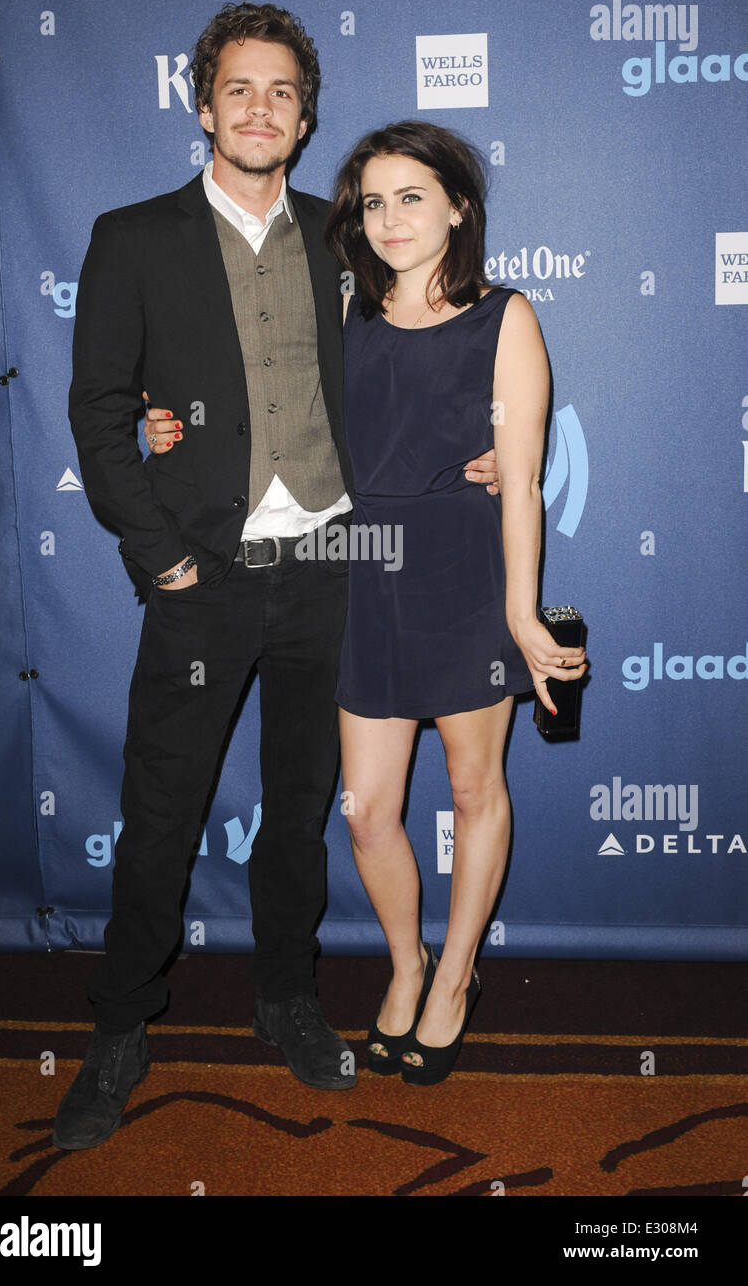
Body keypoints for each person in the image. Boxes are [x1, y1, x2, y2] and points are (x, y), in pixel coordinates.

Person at [56, 5, 499, 1150]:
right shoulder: (132, 236)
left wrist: (488, 448)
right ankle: (117, 1027)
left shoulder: (343, 238)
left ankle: (288, 999)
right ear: (203, 105)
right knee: (162, 812)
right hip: (203, 572)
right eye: (239, 90)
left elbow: (415, 357)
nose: (260, 109)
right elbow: (103, 416)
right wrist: (160, 554)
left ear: (307, 118)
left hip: (335, 567)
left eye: (283, 92)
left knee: (303, 810)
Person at [322, 121, 588, 1083]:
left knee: (476, 792)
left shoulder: (504, 317)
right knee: (367, 810)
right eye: (374, 201)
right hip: (366, 574)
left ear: (458, 207)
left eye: (412, 197)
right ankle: (408, 960)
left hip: (465, 573)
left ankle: (456, 976)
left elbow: (519, 481)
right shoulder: (340, 311)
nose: (390, 218)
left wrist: (523, 616)